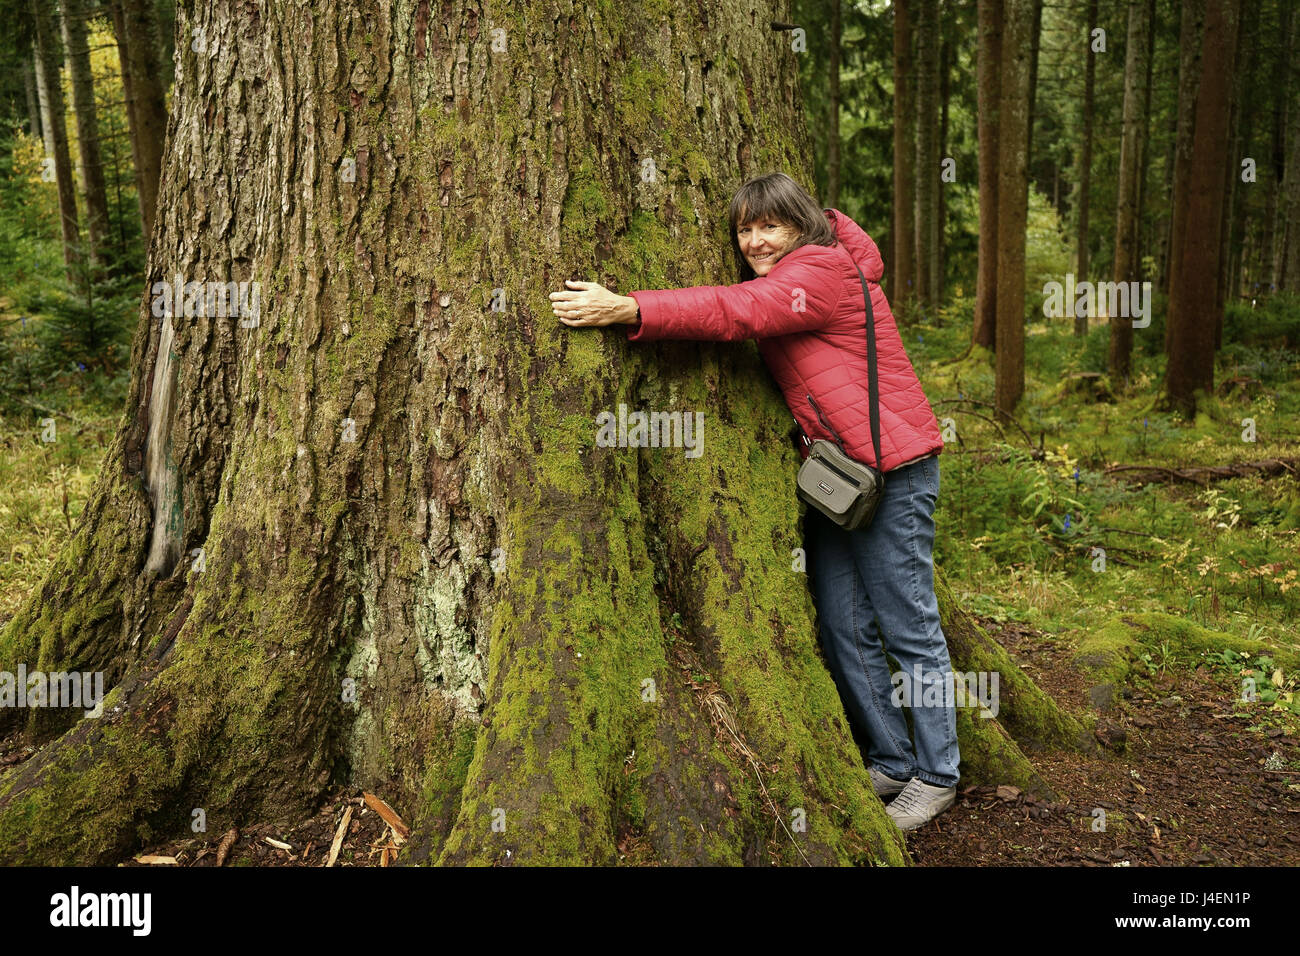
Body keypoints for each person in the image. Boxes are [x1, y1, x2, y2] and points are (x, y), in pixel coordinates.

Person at [548, 171, 959, 830]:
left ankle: (937, 775)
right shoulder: (809, 267)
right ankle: (890, 758)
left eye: (770, 225)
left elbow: (738, 312)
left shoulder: (820, 272)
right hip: (844, 483)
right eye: (744, 229)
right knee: (843, 626)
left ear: (801, 225)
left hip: (895, 474)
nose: (755, 241)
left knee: (910, 631)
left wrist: (631, 308)